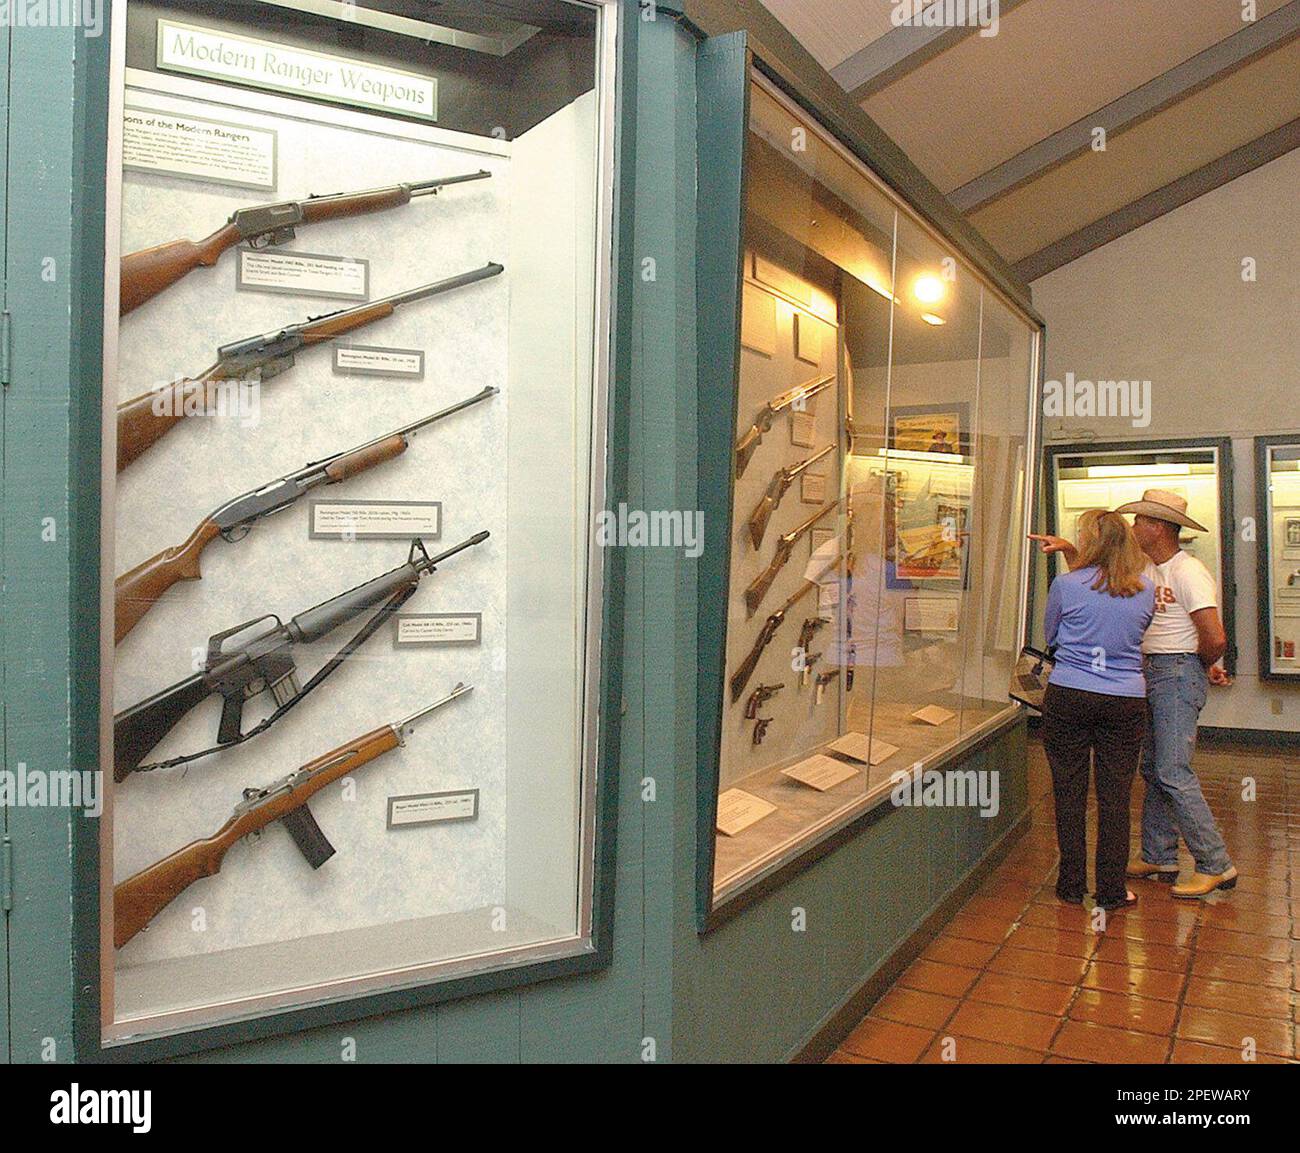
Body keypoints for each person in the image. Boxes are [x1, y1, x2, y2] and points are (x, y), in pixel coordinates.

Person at [1031, 489, 1236, 898]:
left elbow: (1214, 636)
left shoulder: (1187, 571)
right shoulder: (1144, 578)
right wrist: (1074, 551)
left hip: (1162, 673)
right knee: (1143, 776)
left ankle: (1216, 863)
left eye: (1141, 520)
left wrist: (1198, 664)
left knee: (1170, 771)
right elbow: (1104, 586)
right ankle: (1153, 857)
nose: (1135, 527)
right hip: (1135, 684)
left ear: (1158, 527)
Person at [1039, 510, 1154, 909]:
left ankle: (1071, 884)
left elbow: (1050, 634)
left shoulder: (1065, 585)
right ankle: (1110, 890)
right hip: (1125, 699)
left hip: (1069, 693)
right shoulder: (1146, 590)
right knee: (1116, 796)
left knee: (1069, 791)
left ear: (1090, 543)